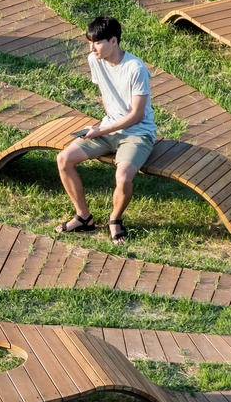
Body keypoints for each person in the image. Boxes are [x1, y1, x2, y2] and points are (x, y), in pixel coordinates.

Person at [56, 16, 156, 244]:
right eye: (90, 42)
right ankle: (83, 217)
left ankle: (115, 220)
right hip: (106, 127)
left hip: (138, 133)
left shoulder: (136, 69)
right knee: (64, 159)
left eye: (97, 43)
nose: (92, 48)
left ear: (114, 41)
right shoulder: (95, 59)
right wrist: (104, 125)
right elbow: (105, 92)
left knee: (123, 177)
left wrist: (101, 130)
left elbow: (137, 115)